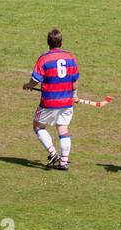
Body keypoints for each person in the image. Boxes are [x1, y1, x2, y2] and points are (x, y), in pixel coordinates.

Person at [23, 28, 79, 170]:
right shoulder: (70, 57)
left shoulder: (44, 59)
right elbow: (75, 81)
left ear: (48, 43)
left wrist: (28, 85)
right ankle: (64, 162)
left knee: (38, 126)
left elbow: (35, 79)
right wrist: (75, 95)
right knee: (63, 129)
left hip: (49, 102)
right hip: (67, 101)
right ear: (61, 42)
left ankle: (53, 153)